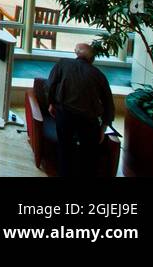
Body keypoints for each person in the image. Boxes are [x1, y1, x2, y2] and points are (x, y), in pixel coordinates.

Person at [46, 42, 115, 177]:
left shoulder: (63, 64)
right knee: (89, 155)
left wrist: (51, 103)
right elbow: (108, 103)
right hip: (89, 120)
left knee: (64, 148)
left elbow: (50, 86)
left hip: (65, 114)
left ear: (77, 53)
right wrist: (104, 126)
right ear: (92, 59)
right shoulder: (99, 75)